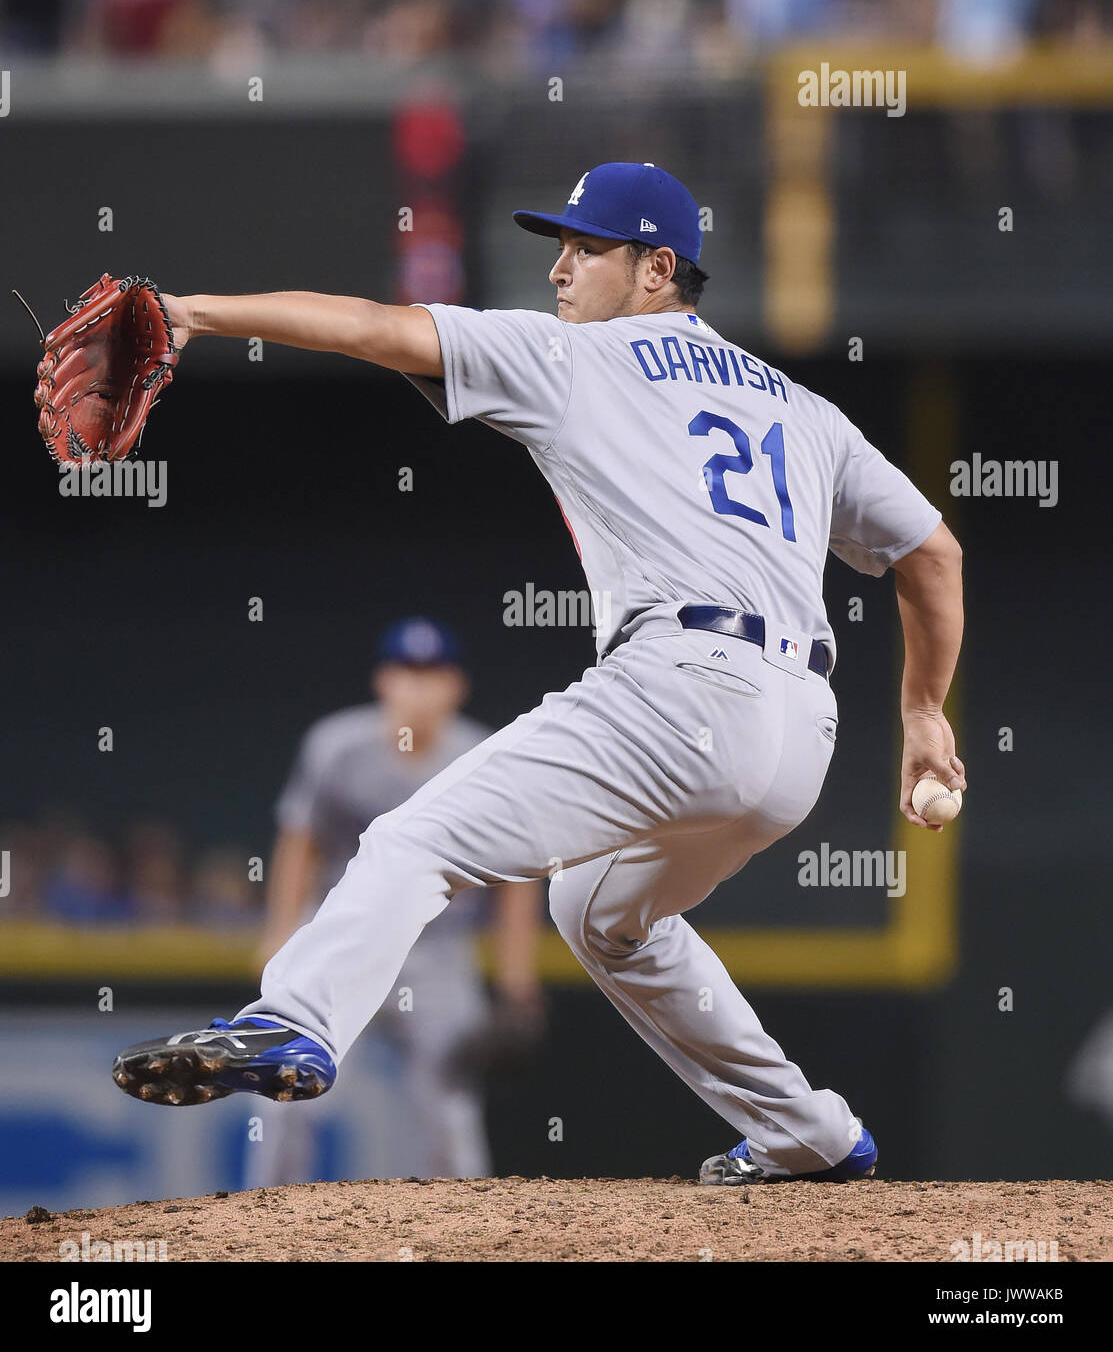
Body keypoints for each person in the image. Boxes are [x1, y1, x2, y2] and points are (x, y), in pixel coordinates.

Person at [114, 161, 966, 1185]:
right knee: (601, 912)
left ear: (658, 268)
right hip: (800, 738)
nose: (559, 270)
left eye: (585, 248)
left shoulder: (573, 358)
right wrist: (922, 713)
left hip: (680, 686)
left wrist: (189, 310)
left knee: (415, 836)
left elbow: (368, 326)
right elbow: (934, 553)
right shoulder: (805, 408)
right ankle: (810, 1135)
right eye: (557, 247)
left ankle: (293, 1020)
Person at [244, 617, 542, 1183]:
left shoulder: (484, 757)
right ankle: (265, 1226)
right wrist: (280, 932)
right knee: (283, 1088)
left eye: (432, 673)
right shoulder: (337, 745)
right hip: (341, 939)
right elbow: (299, 842)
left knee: (449, 1113)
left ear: (456, 686)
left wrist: (517, 984)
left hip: (436, 952)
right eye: (407, 671)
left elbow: (520, 877)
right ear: (383, 680)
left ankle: (461, 1241)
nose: (418, 686)